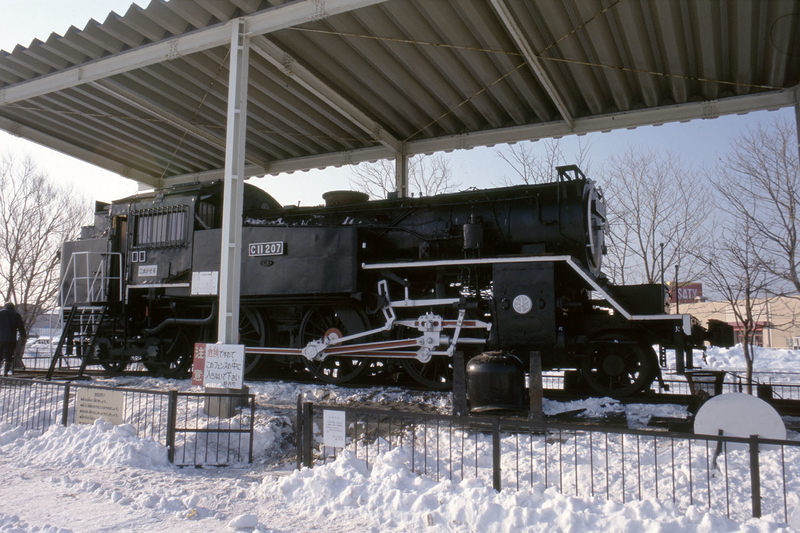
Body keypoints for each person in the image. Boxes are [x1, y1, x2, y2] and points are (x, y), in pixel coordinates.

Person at [0, 303, 26, 376]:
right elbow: (21, 327)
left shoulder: (1, 313)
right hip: (10, 339)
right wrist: (23, 337)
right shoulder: (16, 315)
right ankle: (5, 373)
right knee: (8, 356)